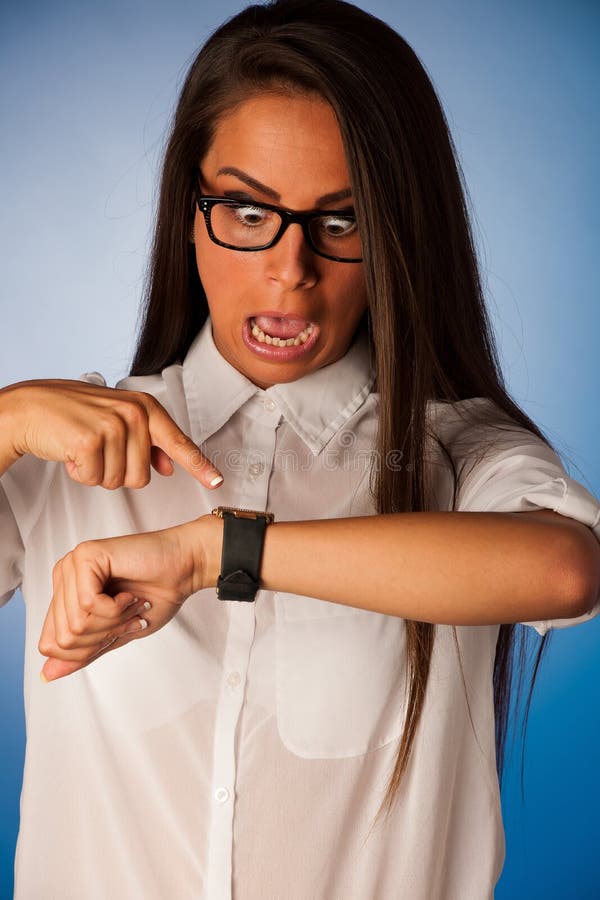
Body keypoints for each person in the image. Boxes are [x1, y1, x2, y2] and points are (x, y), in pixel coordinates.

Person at [1, 0, 598, 897]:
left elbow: (564, 570)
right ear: (187, 213)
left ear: (400, 236)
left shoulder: (458, 452)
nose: (291, 271)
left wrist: (217, 551)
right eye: (247, 210)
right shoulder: (65, 455)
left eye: (343, 221)